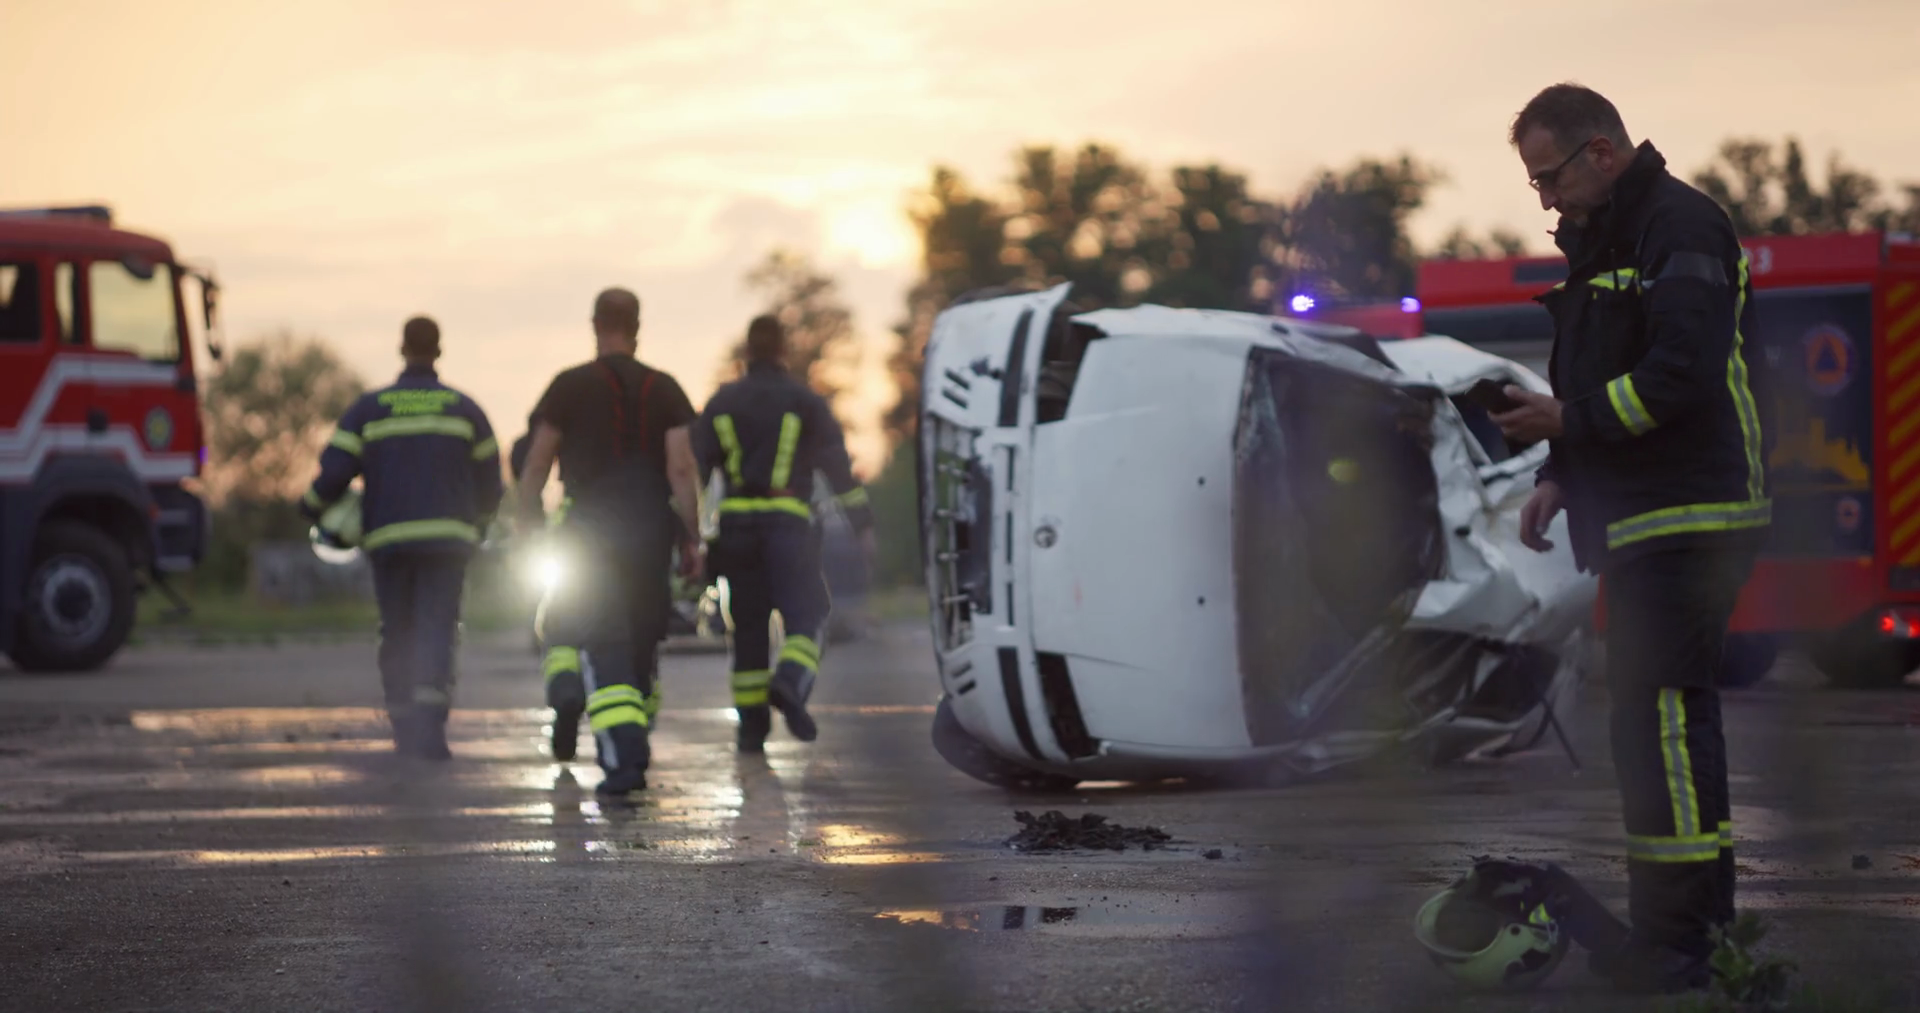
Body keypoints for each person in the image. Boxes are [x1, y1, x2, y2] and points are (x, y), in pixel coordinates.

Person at [1491, 83, 1770, 994]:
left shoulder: (1680, 226)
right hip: (1644, 518)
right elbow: (1600, 367)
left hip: (1692, 513)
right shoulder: (1610, 238)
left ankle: (1681, 940)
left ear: (1601, 152)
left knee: (1663, 723)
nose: (1544, 200)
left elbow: (1680, 376)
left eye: (1550, 177)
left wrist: (1566, 424)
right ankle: (1697, 930)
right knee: (1655, 726)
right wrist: (1558, 476)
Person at [514, 287, 701, 797]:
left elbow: (537, 459)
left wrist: (524, 516)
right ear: (637, 327)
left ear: (595, 324)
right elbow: (681, 468)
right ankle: (630, 739)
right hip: (650, 531)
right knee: (641, 639)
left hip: (590, 530)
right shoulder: (665, 388)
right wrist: (692, 537)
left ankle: (624, 761)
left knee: (604, 638)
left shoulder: (569, 386)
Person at [303, 316, 503, 759]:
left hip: (389, 543)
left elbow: (334, 473)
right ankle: (430, 730)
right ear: (438, 350)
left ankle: (403, 725)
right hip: (449, 544)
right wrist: (482, 521)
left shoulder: (370, 409)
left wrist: (310, 507)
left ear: (402, 349)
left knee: (397, 630)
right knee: (437, 628)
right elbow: (491, 481)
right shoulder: (463, 408)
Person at [690, 315, 874, 753]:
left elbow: (693, 471)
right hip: (788, 529)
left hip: (735, 532)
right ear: (782, 351)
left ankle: (751, 732)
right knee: (808, 615)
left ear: (747, 352)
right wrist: (863, 525)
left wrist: (688, 536)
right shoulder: (805, 401)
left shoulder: (721, 403)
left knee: (748, 632)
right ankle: (790, 682)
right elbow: (837, 468)